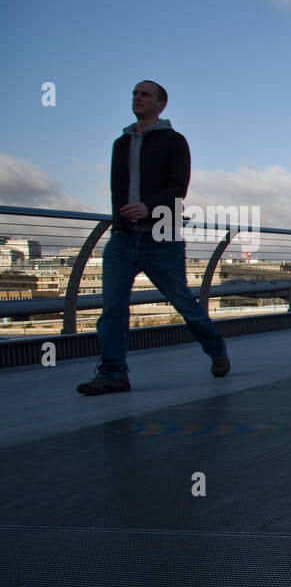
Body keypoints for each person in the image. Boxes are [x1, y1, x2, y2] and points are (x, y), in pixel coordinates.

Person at [77, 80, 229, 395]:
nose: (137, 98)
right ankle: (113, 374)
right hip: (123, 238)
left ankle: (215, 348)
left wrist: (146, 207)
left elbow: (178, 188)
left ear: (161, 104)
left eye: (145, 94)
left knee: (184, 303)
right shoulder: (121, 143)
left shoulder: (174, 141)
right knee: (113, 309)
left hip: (160, 235)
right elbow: (116, 188)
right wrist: (121, 220)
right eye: (134, 93)